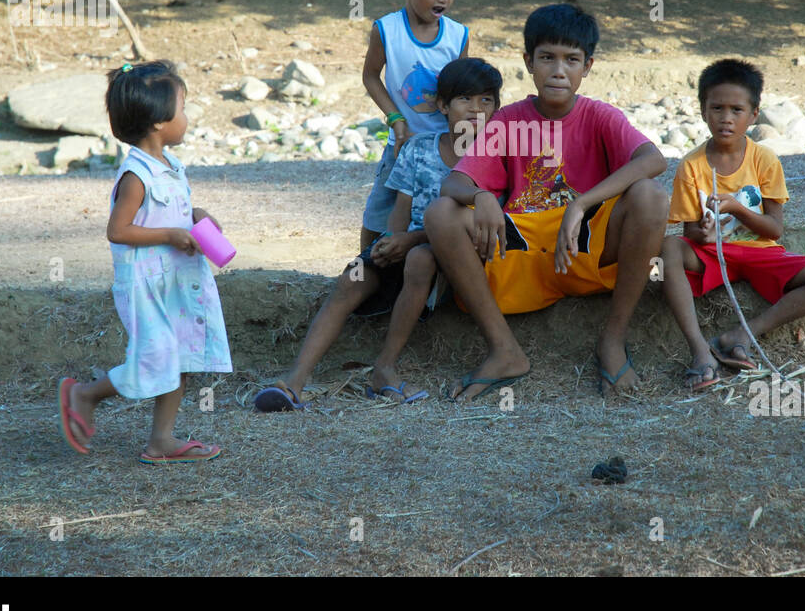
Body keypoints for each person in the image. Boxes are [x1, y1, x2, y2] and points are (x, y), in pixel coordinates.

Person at [425, 3, 669, 400]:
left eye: (571, 59)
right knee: (441, 214)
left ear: (587, 66)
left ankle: (613, 340)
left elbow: (653, 160)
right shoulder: (507, 121)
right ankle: (504, 351)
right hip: (522, 250)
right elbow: (453, 182)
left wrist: (580, 204)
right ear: (528, 62)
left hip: (585, 247)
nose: (559, 70)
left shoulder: (599, 117)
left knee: (651, 197)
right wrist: (481, 194)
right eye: (547, 58)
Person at [254, 59, 503, 411]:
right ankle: (294, 381)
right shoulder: (419, 149)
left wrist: (410, 241)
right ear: (443, 105)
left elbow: (480, 227)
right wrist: (388, 242)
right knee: (352, 276)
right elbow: (402, 209)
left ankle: (384, 369)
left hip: (450, 258)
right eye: (465, 99)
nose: (476, 110)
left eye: (487, 101)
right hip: (405, 245)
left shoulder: (495, 158)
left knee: (420, 257)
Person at [58, 61, 231, 463]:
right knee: (155, 358)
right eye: (182, 109)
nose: (187, 118)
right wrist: (172, 235)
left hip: (177, 280)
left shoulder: (170, 166)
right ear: (157, 122)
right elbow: (118, 230)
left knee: (181, 356)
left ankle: (161, 441)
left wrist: (196, 217)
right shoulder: (136, 175)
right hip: (147, 285)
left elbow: (171, 213)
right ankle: (84, 393)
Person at [659, 58, 805, 391]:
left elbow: (774, 229)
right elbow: (689, 233)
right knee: (668, 247)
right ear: (703, 111)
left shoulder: (764, 160)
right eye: (717, 108)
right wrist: (704, 234)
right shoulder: (691, 166)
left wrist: (735, 209)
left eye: (736, 110)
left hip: (759, 251)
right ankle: (700, 351)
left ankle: (741, 334)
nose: (726, 118)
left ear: (754, 114)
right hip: (714, 254)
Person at [359, 0, 469, 260]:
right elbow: (370, 76)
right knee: (380, 208)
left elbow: (463, 92)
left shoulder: (457, 35)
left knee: (433, 210)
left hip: (444, 147)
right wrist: (395, 119)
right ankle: (364, 269)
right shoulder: (386, 30)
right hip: (403, 142)